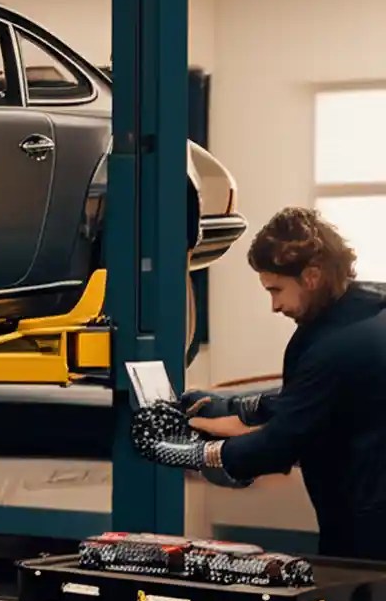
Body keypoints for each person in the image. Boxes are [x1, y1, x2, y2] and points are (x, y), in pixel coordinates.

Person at [131, 206, 386, 559]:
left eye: (276, 290)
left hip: (369, 539)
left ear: (311, 275)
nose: (274, 306)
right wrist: (231, 405)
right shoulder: (367, 308)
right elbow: (315, 399)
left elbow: (279, 444)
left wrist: (188, 452)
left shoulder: (335, 347)